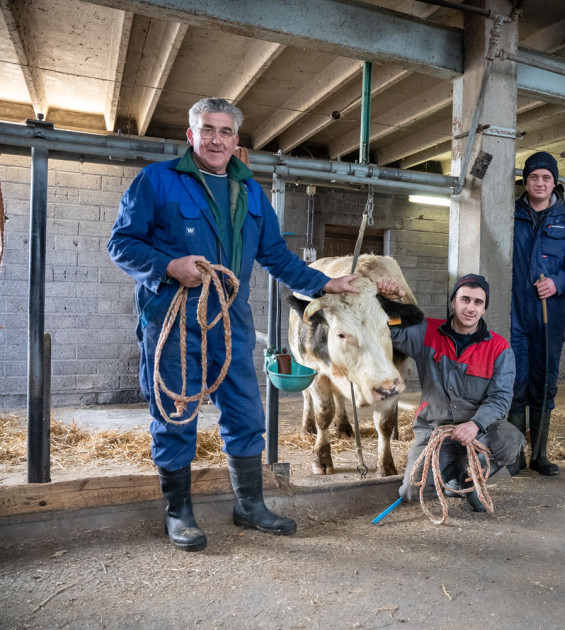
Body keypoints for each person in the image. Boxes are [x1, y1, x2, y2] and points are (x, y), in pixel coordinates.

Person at [107, 97, 358, 551]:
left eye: (225, 132)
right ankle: (179, 513)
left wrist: (327, 284)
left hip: (230, 319)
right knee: (175, 412)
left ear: (236, 140)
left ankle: (249, 505)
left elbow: (276, 256)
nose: (216, 139)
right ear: (191, 134)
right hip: (172, 316)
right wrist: (169, 265)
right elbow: (121, 244)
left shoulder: (251, 191)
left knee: (245, 411)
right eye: (207, 129)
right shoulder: (157, 181)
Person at [376, 273, 525, 512]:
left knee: (509, 440)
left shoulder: (499, 348)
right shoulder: (427, 331)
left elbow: (500, 398)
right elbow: (391, 332)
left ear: (484, 308)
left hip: (480, 433)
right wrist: (390, 303)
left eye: (478, 302)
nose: (471, 308)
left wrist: (475, 424)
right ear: (453, 302)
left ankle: (470, 476)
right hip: (435, 431)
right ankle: (457, 476)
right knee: (412, 491)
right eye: (465, 299)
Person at [510, 151, 565, 476]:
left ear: (554, 182)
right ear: (526, 181)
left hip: (549, 314)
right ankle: (515, 453)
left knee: (544, 383)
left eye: (546, 177)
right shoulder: (510, 213)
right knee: (514, 382)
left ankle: (539, 455)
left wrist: (558, 282)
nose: (540, 183)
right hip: (514, 312)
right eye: (533, 177)